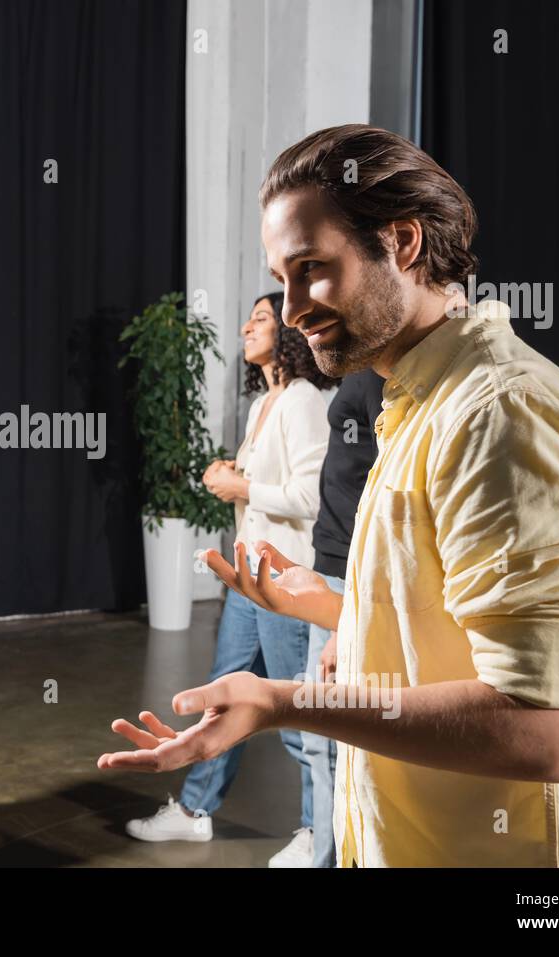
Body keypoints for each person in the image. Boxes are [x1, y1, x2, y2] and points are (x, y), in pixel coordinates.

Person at [99, 124, 559, 867]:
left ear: (401, 243)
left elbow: (544, 728)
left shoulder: (499, 415)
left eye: (312, 268)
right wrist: (337, 610)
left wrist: (281, 702)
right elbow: (460, 633)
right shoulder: (419, 406)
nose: (292, 305)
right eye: (281, 277)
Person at [124, 293, 336, 866]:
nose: (247, 326)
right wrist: (233, 474)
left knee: (295, 713)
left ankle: (318, 834)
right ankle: (193, 814)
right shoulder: (262, 404)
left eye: (262, 318)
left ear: (288, 333)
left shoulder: (303, 399)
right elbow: (268, 484)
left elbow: (311, 498)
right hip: (247, 582)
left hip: (284, 585)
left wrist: (242, 488)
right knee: (221, 700)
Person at [300, 367, 383, 867]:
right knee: (321, 741)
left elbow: (387, 496)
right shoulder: (363, 371)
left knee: (329, 741)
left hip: (349, 577)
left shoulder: (381, 374)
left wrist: (347, 619)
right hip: (332, 569)